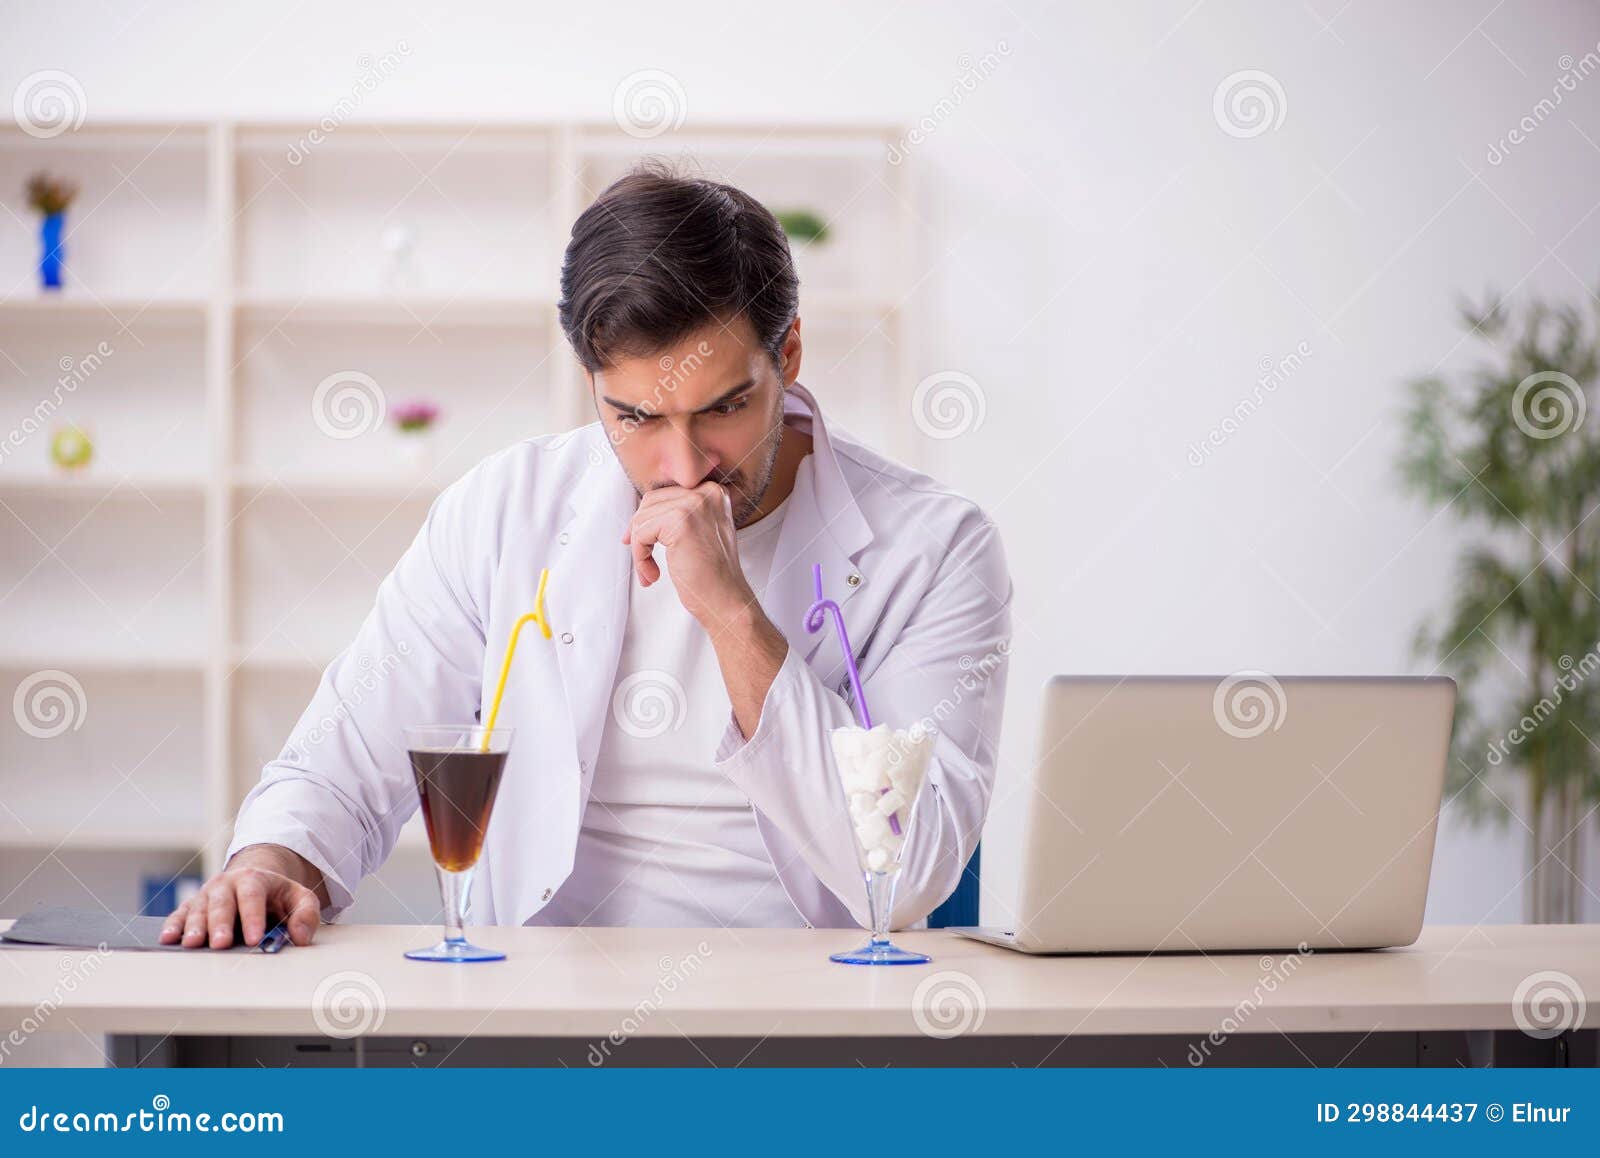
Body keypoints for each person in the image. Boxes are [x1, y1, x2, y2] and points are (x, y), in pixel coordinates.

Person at [162, 162, 1012, 949]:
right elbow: (344, 758)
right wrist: (270, 863)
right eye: (636, 417)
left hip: (805, 1011)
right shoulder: (503, 510)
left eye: (723, 408)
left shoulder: (935, 548)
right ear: (591, 382)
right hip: (536, 1007)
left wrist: (730, 612)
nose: (682, 467)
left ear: (787, 353)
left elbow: (910, 871)